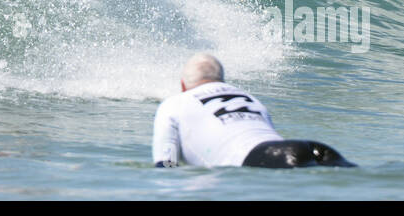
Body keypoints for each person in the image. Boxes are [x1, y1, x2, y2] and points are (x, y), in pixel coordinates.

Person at [152, 53, 355, 168]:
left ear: (183, 84)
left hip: (264, 158)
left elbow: (166, 165)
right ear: (221, 78)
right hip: (308, 147)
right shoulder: (249, 97)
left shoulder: (174, 103)